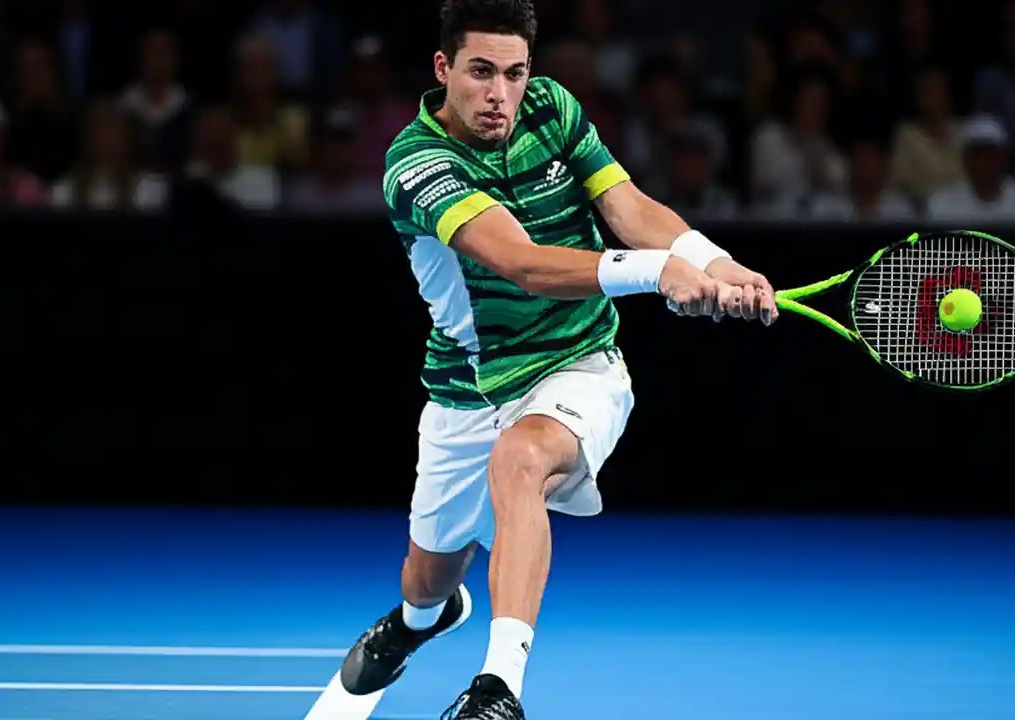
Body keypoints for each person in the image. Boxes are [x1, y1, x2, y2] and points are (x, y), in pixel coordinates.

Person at [333, 2, 779, 718]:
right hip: (466, 387)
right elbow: (521, 264)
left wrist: (713, 260)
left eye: (513, 74)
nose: (499, 94)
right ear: (444, 69)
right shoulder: (416, 163)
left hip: (577, 363)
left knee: (521, 460)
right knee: (426, 578)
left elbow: (626, 203)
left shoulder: (553, 108)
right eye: (480, 73)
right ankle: (423, 620)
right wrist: (656, 273)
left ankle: (498, 689)